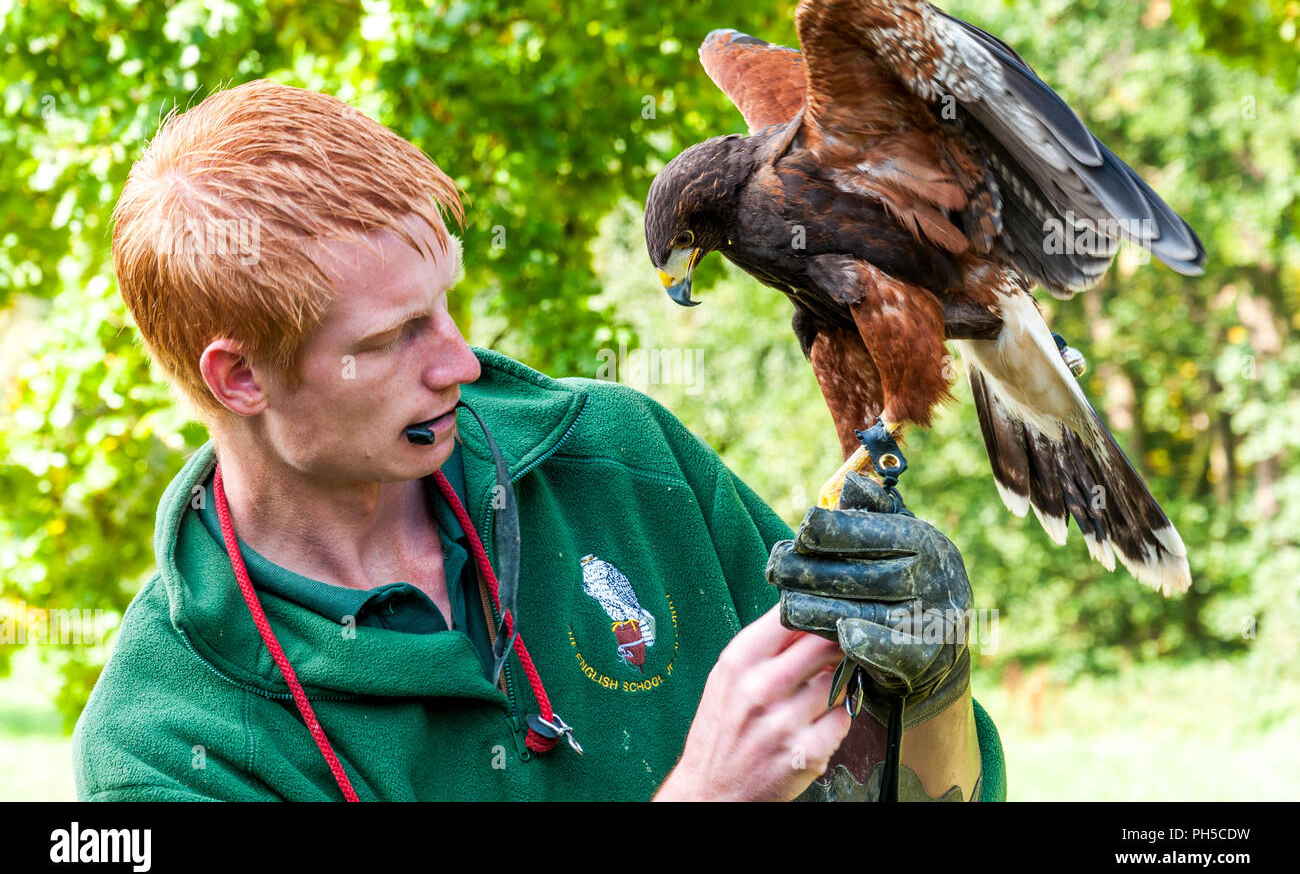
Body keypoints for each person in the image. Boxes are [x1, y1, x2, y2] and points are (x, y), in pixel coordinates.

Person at [73, 79, 1006, 801]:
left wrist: (927, 682)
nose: (459, 361)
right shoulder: (162, 739)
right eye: (389, 337)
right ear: (238, 377)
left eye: (445, 302)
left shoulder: (620, 458)